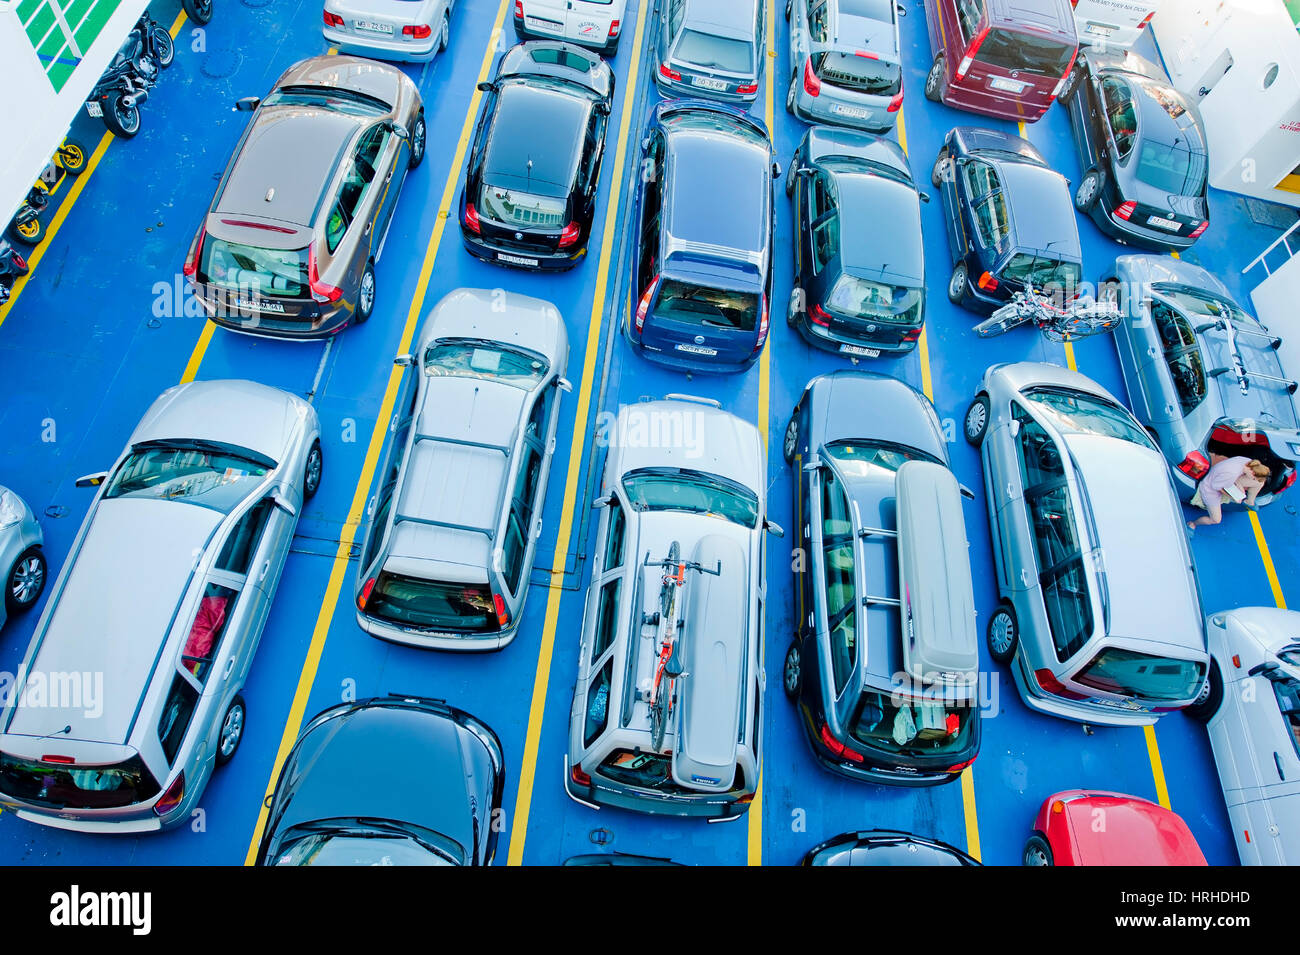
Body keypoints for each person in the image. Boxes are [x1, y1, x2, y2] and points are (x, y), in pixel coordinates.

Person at [1188, 455, 1271, 530]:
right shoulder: (1232, 473)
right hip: (1210, 488)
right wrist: (1234, 497)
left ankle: (1249, 501)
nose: (1252, 480)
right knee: (1216, 519)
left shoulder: (1248, 461)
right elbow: (1216, 487)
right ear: (1252, 473)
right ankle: (1193, 524)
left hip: (1227, 478)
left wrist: (1238, 486)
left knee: (1260, 482)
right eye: (1253, 478)